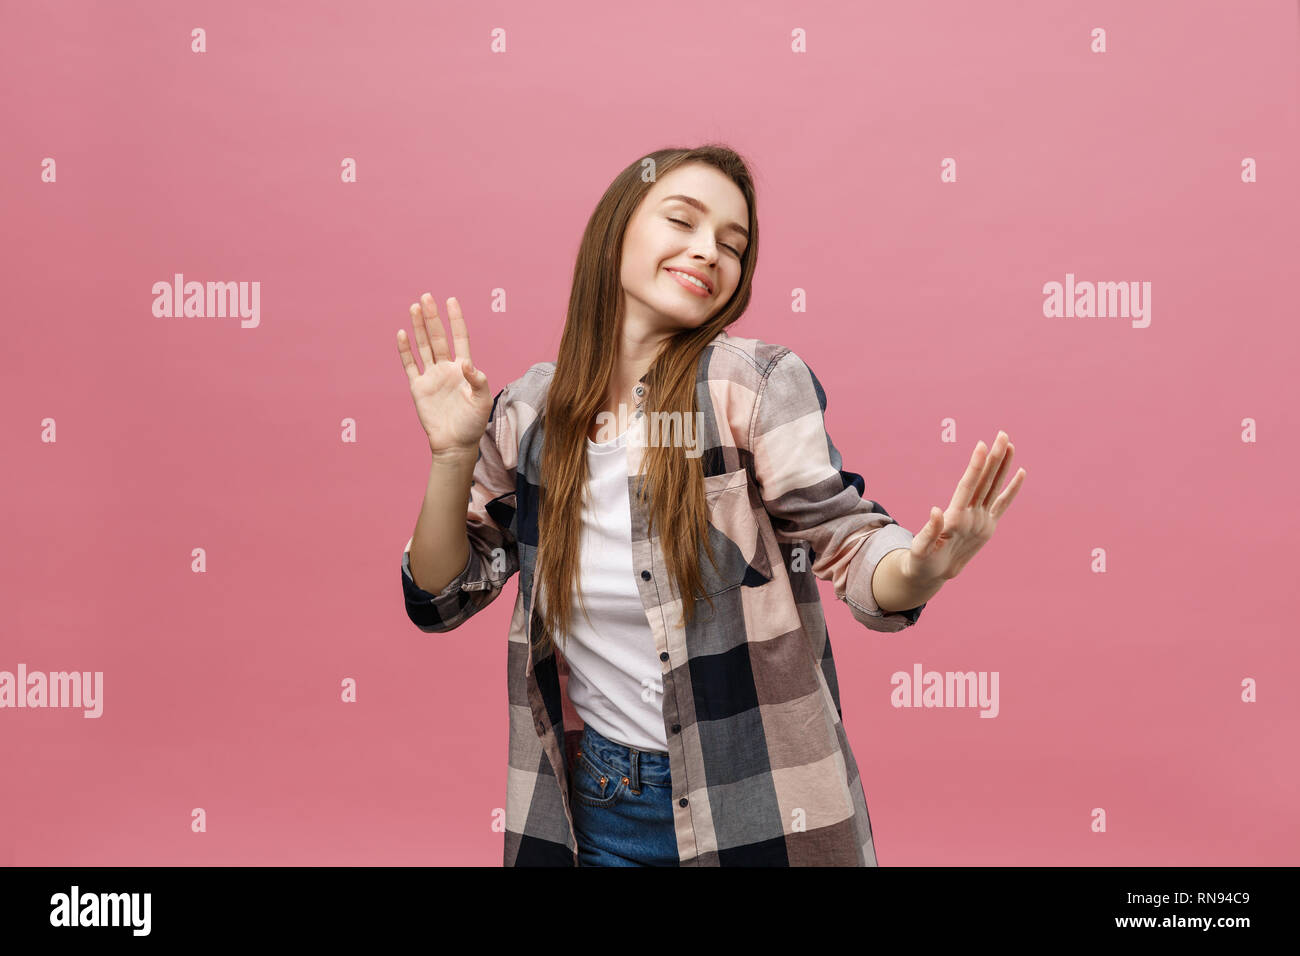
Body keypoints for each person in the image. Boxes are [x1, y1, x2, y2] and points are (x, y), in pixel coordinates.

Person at [396, 145, 1026, 867]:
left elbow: (848, 540)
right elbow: (440, 596)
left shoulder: (751, 387)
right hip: (591, 811)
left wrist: (918, 568)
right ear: (616, 230)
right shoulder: (530, 413)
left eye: (733, 245)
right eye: (683, 221)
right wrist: (452, 456)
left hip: (758, 801)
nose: (709, 252)